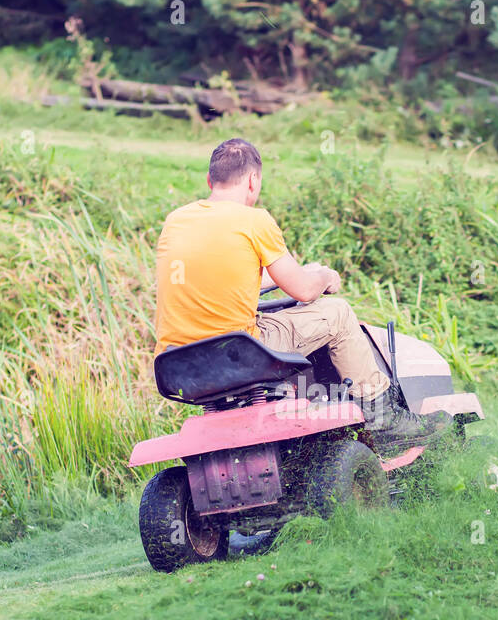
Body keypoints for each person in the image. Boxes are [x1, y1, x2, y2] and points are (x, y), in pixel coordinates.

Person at [153, 137, 451, 444]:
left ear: (209, 180)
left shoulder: (176, 221)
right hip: (239, 353)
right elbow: (306, 292)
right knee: (338, 313)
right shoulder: (254, 220)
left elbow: (221, 281)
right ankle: (383, 416)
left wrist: (297, 274)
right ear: (253, 181)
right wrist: (322, 276)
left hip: (178, 364)